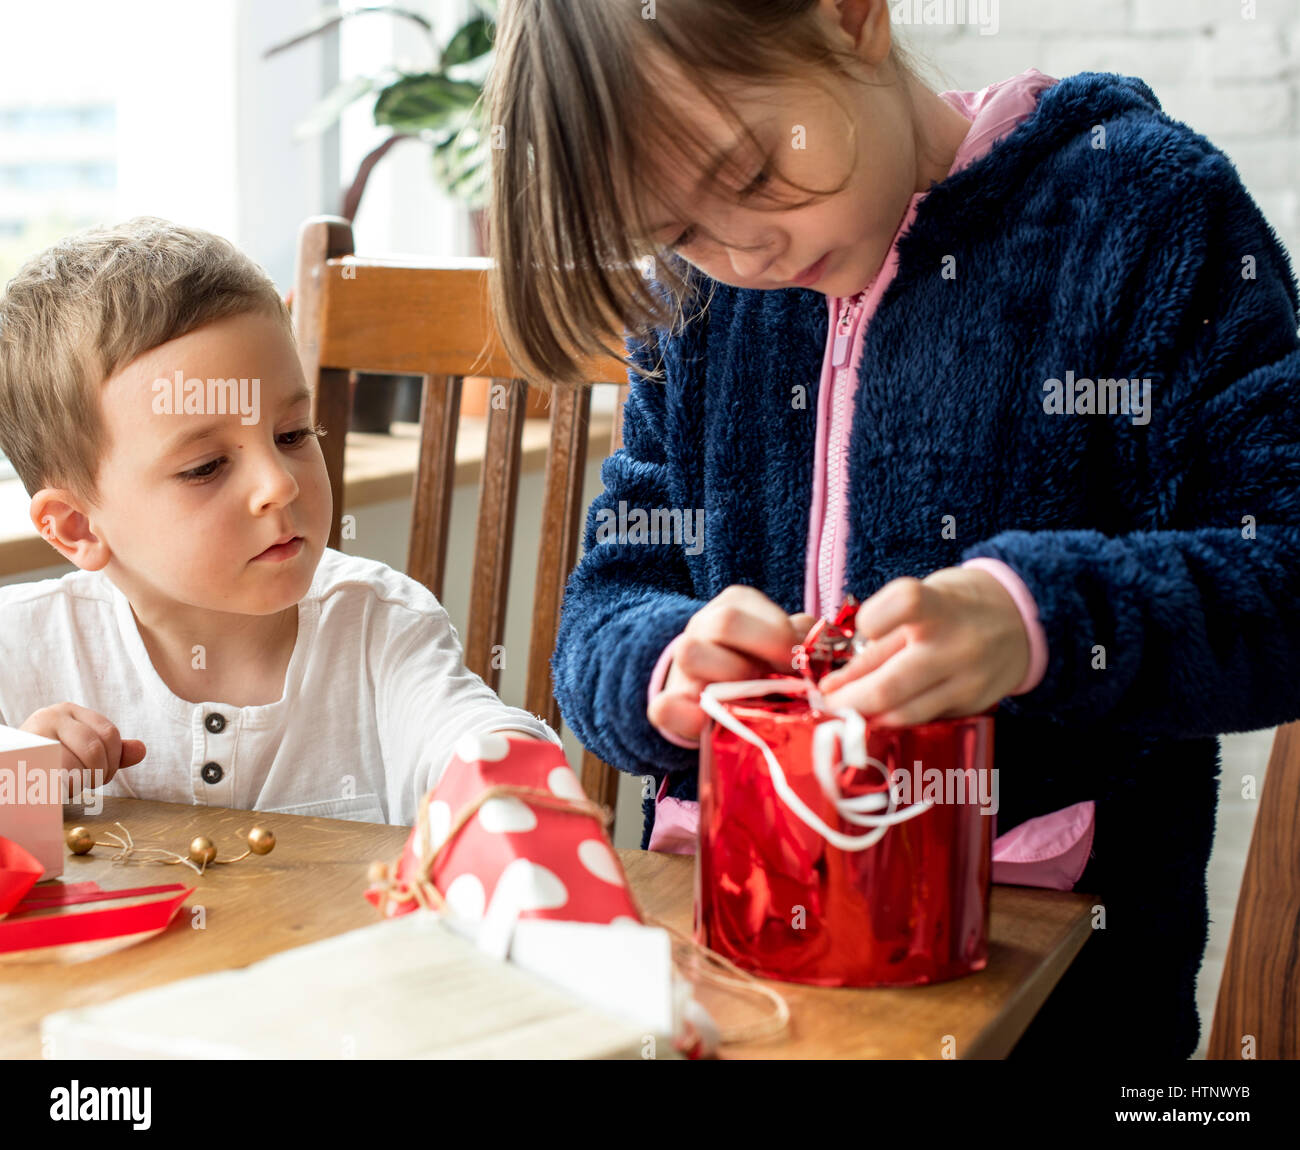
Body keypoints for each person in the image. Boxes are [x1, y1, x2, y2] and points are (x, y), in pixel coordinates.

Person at [484, 0, 1300, 1058]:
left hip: (1054, 1010)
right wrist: (664, 664)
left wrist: (1033, 619)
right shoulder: (695, 303)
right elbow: (601, 611)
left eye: (745, 175)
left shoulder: (1141, 214)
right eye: (675, 229)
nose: (742, 251)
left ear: (850, 17)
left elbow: (1279, 571)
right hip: (732, 990)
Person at [0, 217, 559, 827]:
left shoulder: (380, 628)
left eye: (292, 433)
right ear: (77, 526)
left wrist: (503, 763)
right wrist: (16, 780)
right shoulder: (20, 650)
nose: (279, 483)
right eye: (206, 466)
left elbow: (469, 734)